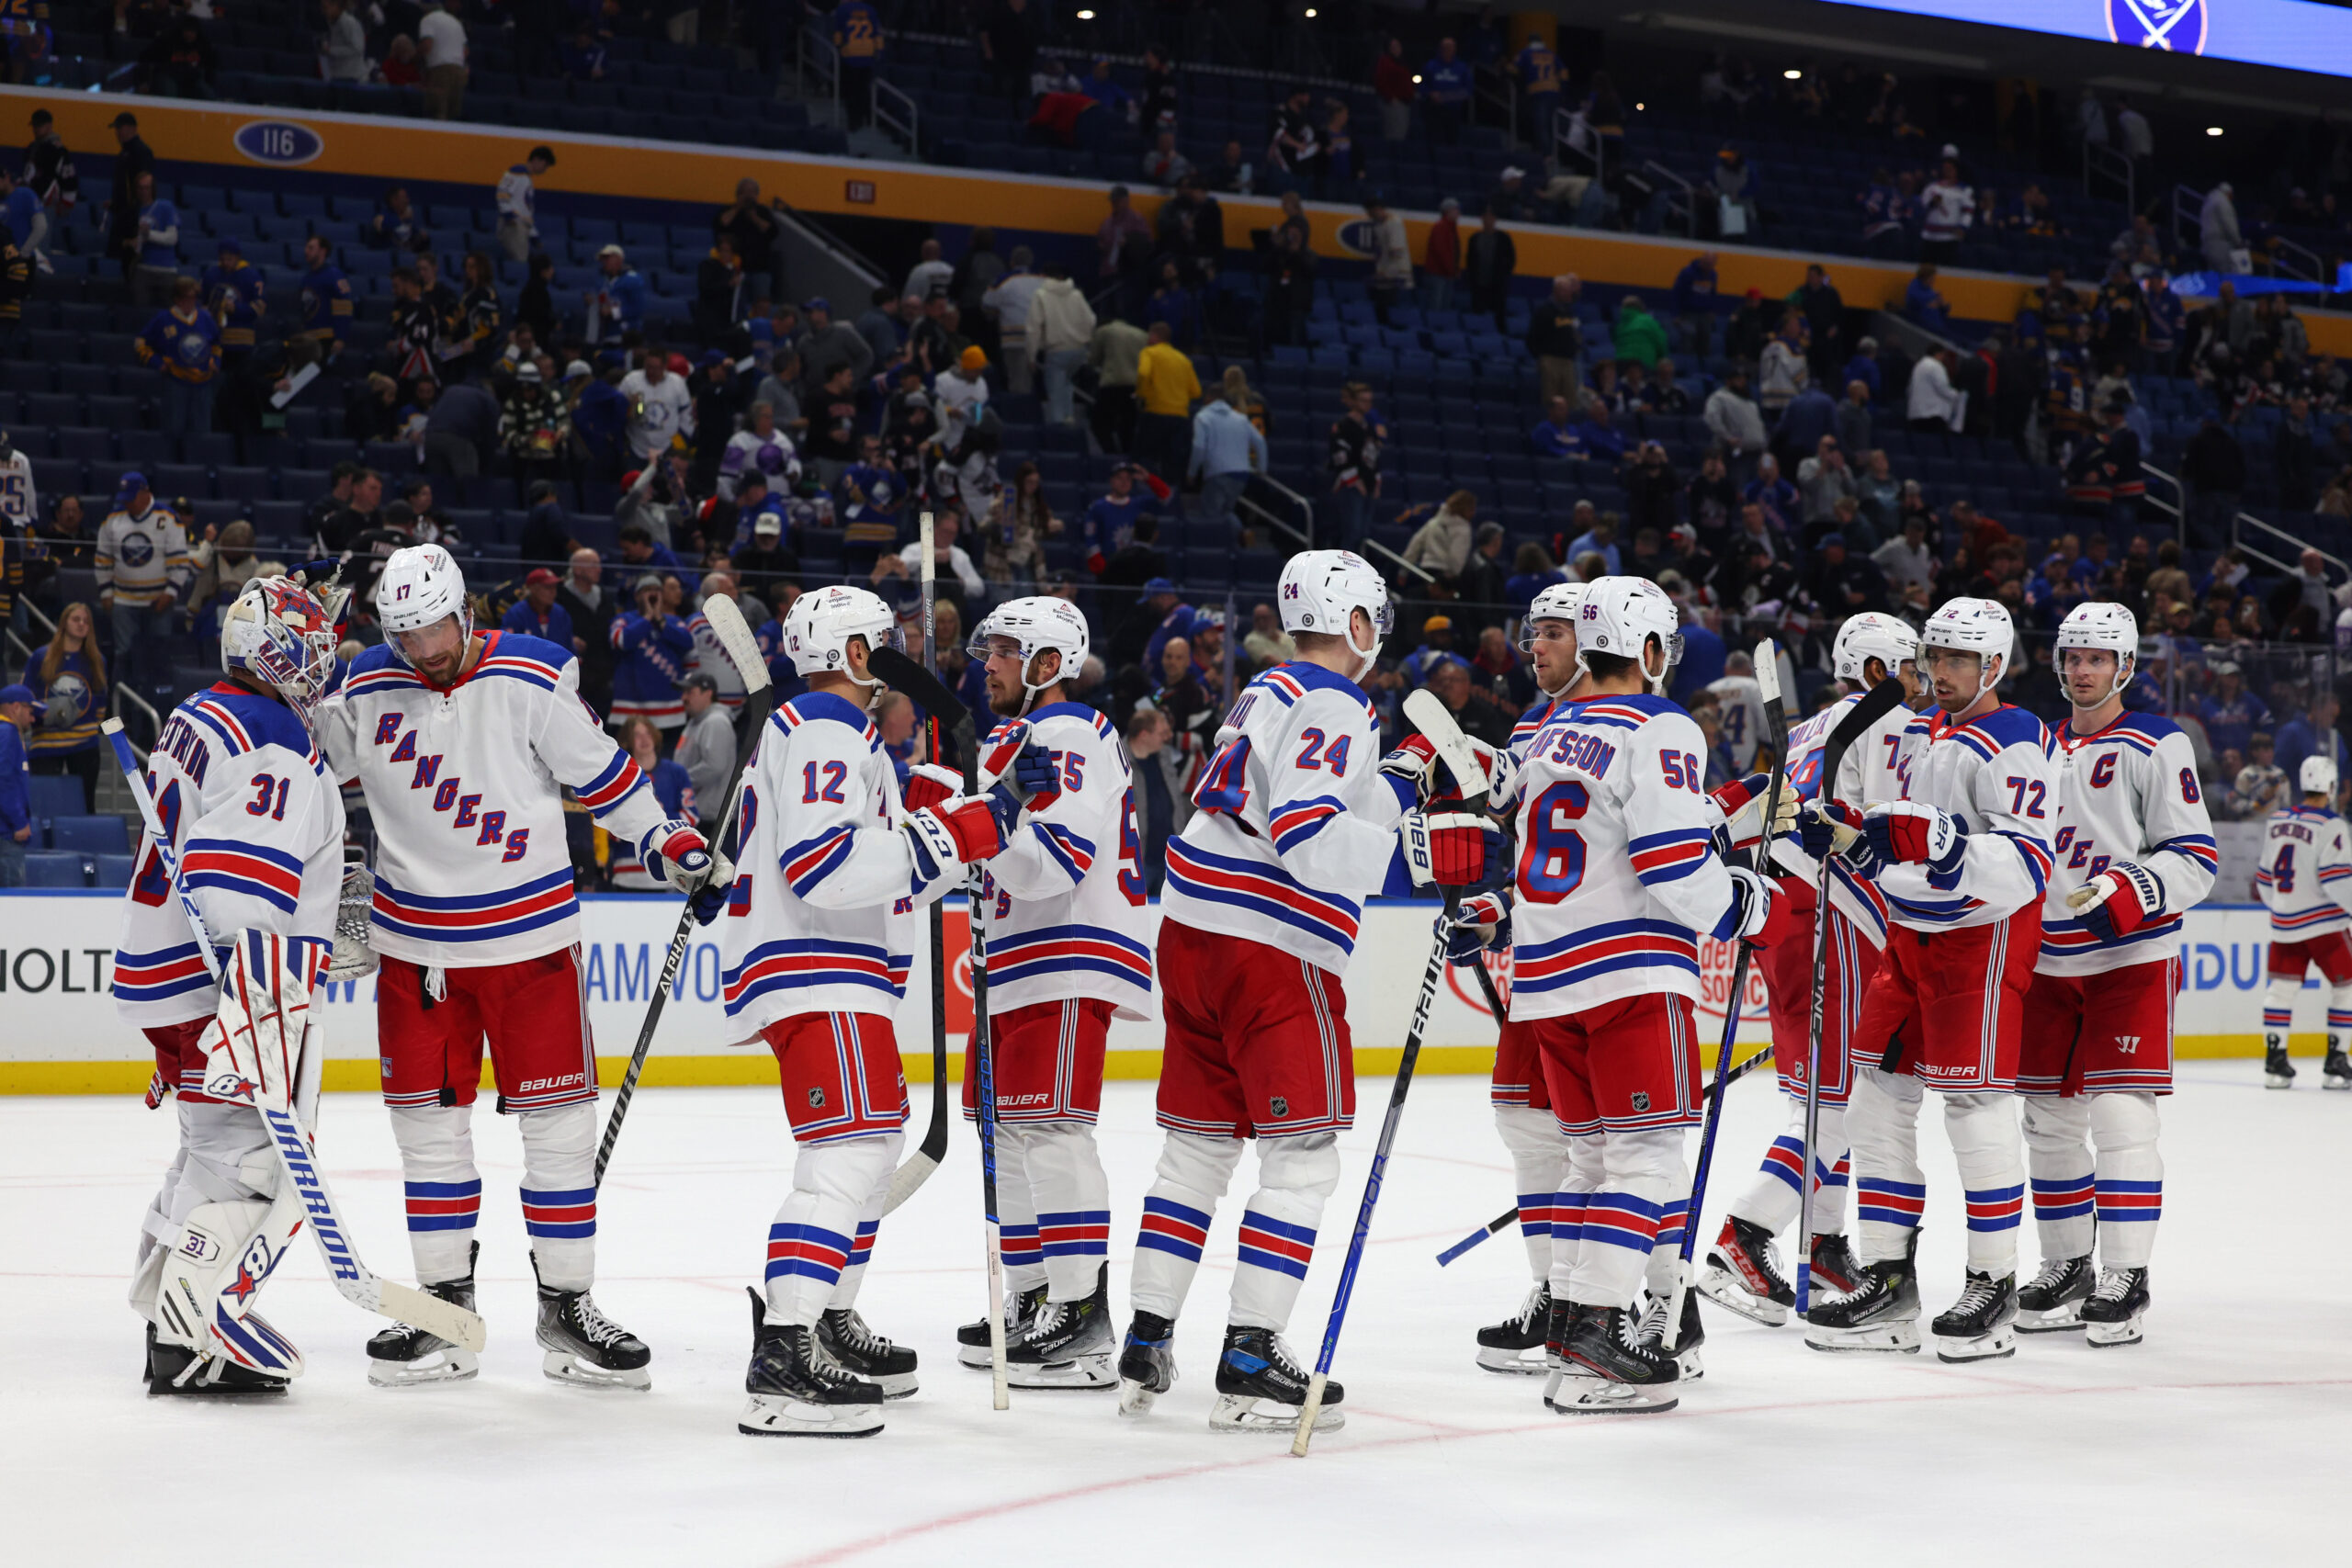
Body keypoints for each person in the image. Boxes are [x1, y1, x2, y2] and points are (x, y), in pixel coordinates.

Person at [312, 546, 715, 1390]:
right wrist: (296, 666)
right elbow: (306, 763)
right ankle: (443, 1312)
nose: (424, 652)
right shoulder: (362, 688)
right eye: (406, 636)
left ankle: (567, 1311)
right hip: (414, 952)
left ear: (465, 611)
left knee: (560, 1136)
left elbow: (605, 775)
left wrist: (664, 837)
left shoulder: (532, 678)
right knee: (427, 1136)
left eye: (434, 631)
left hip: (531, 947)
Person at [1118, 549, 1475, 1433]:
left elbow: (1283, 799)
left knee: (1195, 1151)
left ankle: (1149, 1334)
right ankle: (1248, 1358)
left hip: (1193, 932)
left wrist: (1388, 790)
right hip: (1269, 947)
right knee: (1303, 1157)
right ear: (1355, 622)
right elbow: (1309, 832)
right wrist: (1413, 849)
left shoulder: (1263, 690)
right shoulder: (1339, 699)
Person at [1456, 575, 1774, 1414]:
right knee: (1643, 1158)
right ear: (1650, 648)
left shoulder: (1555, 732)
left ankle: (1571, 1328)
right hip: (1629, 970)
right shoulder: (1659, 721)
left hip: (1547, 979)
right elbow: (1671, 858)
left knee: (1591, 1157)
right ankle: (1598, 1334)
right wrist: (1742, 902)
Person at [718, 582, 1012, 1435]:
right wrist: (950, 836)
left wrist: (944, 823)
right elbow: (823, 867)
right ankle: (784, 1352)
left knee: (870, 1146)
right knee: (846, 1155)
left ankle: (827, 1321)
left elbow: (884, 859)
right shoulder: (824, 729)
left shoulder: (839, 737)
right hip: (817, 963)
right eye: (883, 649)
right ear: (855, 657)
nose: (895, 665)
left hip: (839, 968)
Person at [1803, 597, 2054, 1362]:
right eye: (1934, 656)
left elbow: (2027, 864)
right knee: (1874, 1097)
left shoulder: (2015, 738)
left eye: (1957, 660)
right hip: (1910, 937)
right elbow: (1894, 834)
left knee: (1974, 1109)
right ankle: (1887, 1280)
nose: (1940, 672)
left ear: (1994, 666)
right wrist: (1848, 835)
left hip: (1981, 941)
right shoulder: (1920, 731)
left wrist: (1946, 846)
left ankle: (1994, 1283)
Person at [113, 576, 347, 1396]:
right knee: (252, 1162)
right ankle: (189, 1331)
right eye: (313, 643)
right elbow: (234, 882)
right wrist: (253, 994)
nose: (324, 661)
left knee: (206, 1148)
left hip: (167, 967)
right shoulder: (275, 733)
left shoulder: (201, 711)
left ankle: (165, 1311)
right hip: (230, 984)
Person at [937, 598, 1156, 1387]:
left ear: (1047, 663)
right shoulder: (1021, 736)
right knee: (1009, 1129)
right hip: (1022, 954)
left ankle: (1080, 1315)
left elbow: (1053, 860)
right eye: (987, 648)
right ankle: (1034, 1298)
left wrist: (979, 827)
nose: (984, 662)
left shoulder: (1064, 732)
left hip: (1065, 950)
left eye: (1002, 650)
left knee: (1052, 1129)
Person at [1700, 615, 1922, 1326]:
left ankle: (1822, 1243)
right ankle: (1745, 1233)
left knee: (1818, 1096)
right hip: (1838, 913)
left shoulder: (1809, 727)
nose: (1920, 679)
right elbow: (1887, 823)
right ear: (1882, 668)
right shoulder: (1883, 722)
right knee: (1847, 1099)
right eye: (1911, 665)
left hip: (1790, 911)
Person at [2011, 604, 2216, 1349]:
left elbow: (2194, 853)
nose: (2081, 670)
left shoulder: (2157, 741)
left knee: (2122, 1119)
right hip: (2048, 958)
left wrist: (2134, 889)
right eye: (2072, 657)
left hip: (2131, 954)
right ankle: (2067, 1263)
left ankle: (2126, 1274)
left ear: (2126, 667)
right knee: (2048, 1122)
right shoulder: (2034, 744)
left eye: (2098, 658)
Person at [2255, 756, 2352, 1089]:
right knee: (2348, 987)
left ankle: (2274, 1065)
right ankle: (2336, 1064)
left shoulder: (2277, 819)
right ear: (2330, 786)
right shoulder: (2332, 824)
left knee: (2280, 992)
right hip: (2325, 925)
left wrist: (2283, 907)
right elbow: (2336, 878)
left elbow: (2265, 876)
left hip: (2284, 923)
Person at [96, 472, 193, 703]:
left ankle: (156, 707)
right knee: (124, 656)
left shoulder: (168, 518)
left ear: (145, 493)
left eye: (132, 497)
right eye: (125, 498)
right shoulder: (113, 519)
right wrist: (106, 592)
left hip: (158, 600)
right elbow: (103, 559)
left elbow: (180, 561)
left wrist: (170, 593)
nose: (127, 503)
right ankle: (122, 708)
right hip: (123, 600)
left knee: (158, 656)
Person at [609, 570, 694, 735]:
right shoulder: (624, 619)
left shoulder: (674, 621)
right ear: (636, 596)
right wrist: (647, 618)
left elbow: (688, 642)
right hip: (629, 709)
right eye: (647, 589)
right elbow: (620, 640)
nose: (653, 594)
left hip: (670, 711)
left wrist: (660, 621)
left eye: (658, 590)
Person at [672, 671, 735, 822]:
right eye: (683, 692)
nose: (683, 698)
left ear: (708, 694)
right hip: (698, 812)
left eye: (690, 692)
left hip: (711, 817)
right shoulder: (696, 721)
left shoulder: (716, 722)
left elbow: (715, 766)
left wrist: (679, 782)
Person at [495, 146, 553, 264]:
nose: (545, 169)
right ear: (537, 160)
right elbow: (502, 193)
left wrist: (533, 235)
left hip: (520, 226)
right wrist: (508, 215)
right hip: (514, 226)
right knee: (520, 262)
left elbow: (525, 211)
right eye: (545, 165)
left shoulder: (526, 178)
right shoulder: (516, 173)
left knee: (522, 260)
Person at [0, 681, 32, 888]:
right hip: (6, 833)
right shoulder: (7, 732)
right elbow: (3, 779)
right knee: (10, 905)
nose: (32, 717)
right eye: (29, 709)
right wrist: (19, 821)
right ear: (16, 707)